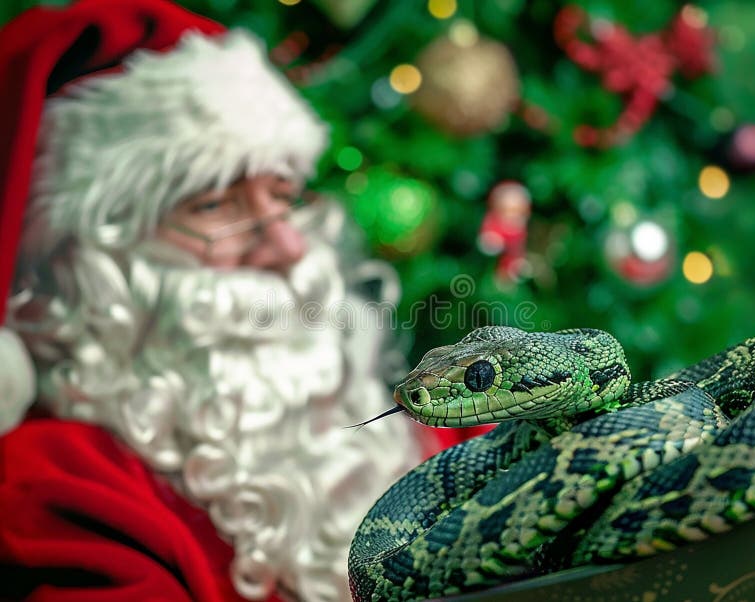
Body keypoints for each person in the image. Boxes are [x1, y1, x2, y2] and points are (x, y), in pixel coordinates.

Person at [0, 1, 476, 600]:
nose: (287, 244)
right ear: (84, 260)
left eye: (284, 194)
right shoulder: (56, 492)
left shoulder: (405, 431)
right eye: (214, 205)